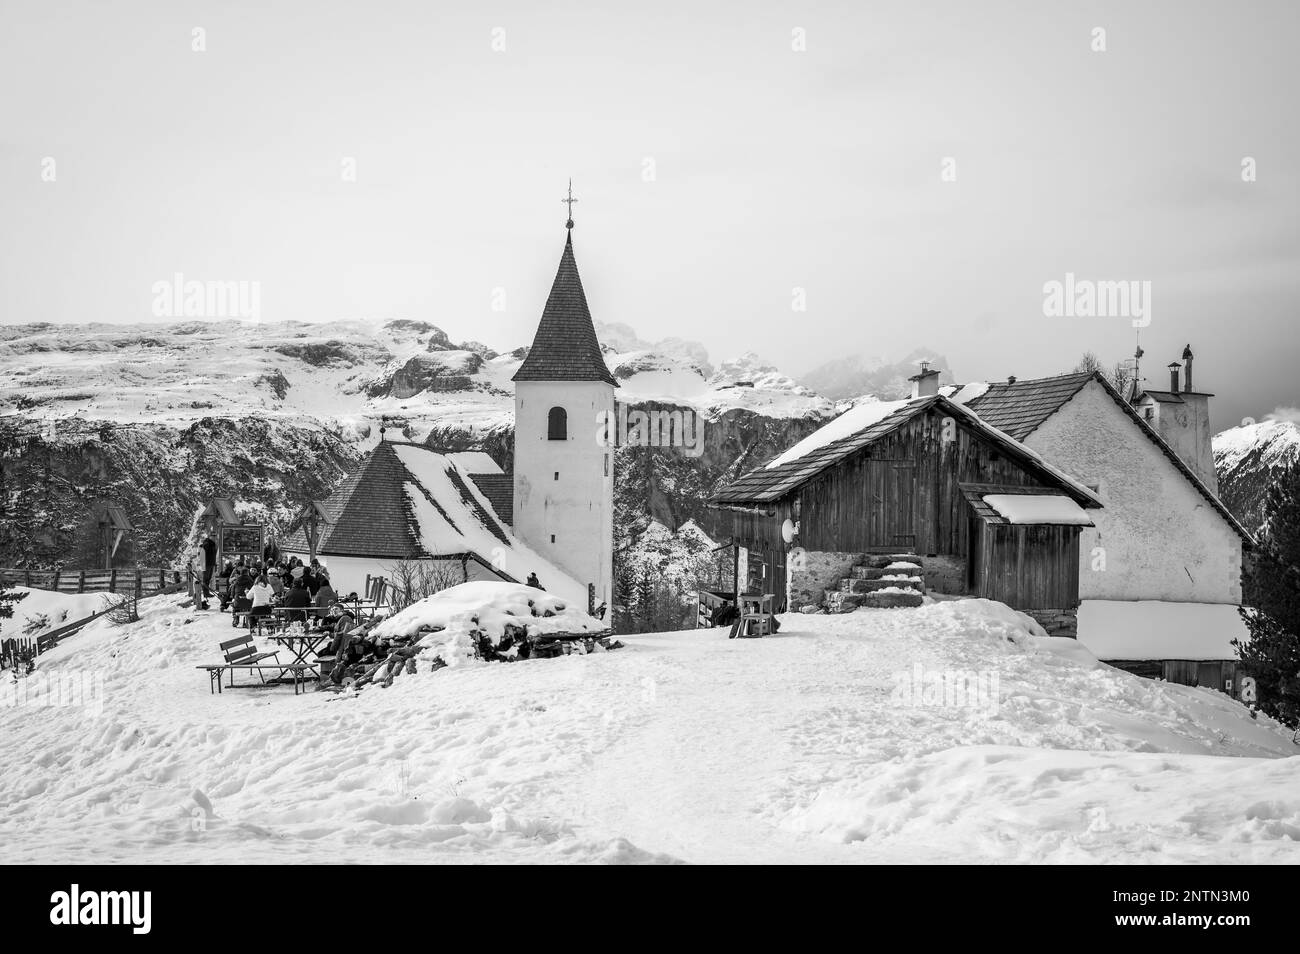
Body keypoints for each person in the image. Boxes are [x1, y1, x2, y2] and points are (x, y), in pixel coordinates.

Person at [199, 533, 217, 609]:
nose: (214, 537)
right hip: (206, 564)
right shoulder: (206, 544)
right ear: (209, 537)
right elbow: (202, 554)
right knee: (205, 579)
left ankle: (207, 593)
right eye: (213, 536)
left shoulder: (212, 544)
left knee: (208, 579)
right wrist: (202, 564)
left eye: (215, 536)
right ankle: (206, 593)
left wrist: (214, 563)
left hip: (211, 564)